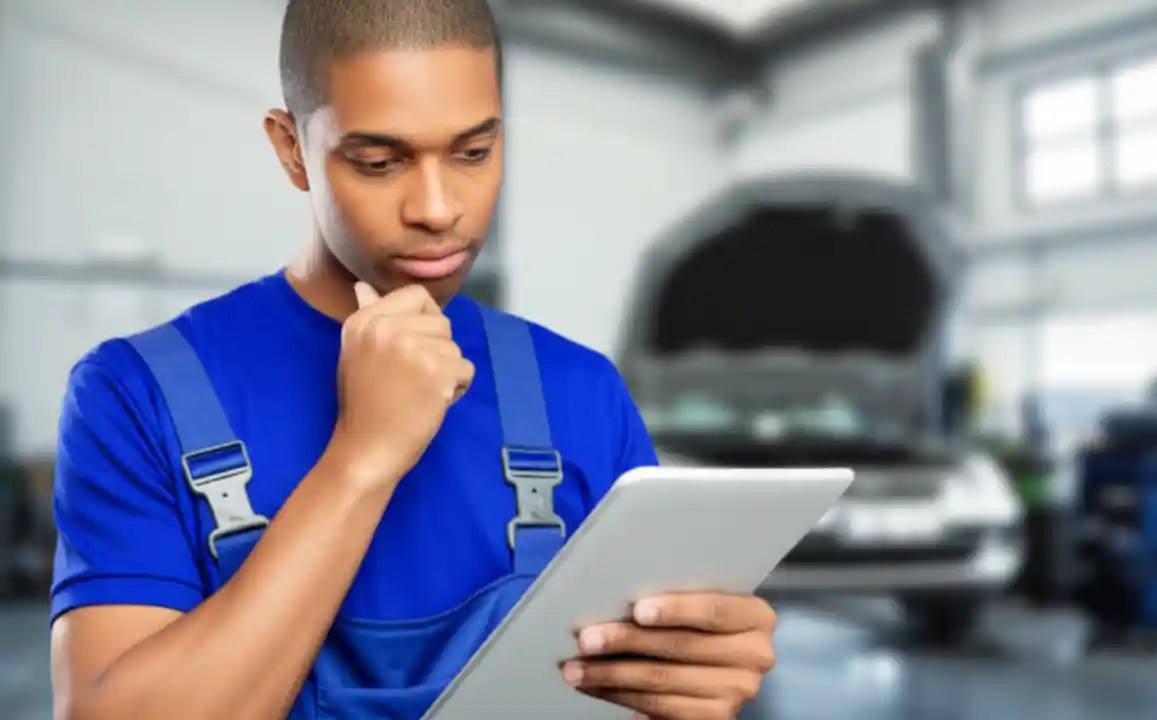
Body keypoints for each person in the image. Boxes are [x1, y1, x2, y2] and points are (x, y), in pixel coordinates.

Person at [47, 1, 778, 718]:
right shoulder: (134, 395)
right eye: (379, 160)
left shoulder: (580, 393)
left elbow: (642, 683)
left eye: (473, 153)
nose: (437, 207)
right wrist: (360, 460)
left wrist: (694, 683)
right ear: (291, 148)